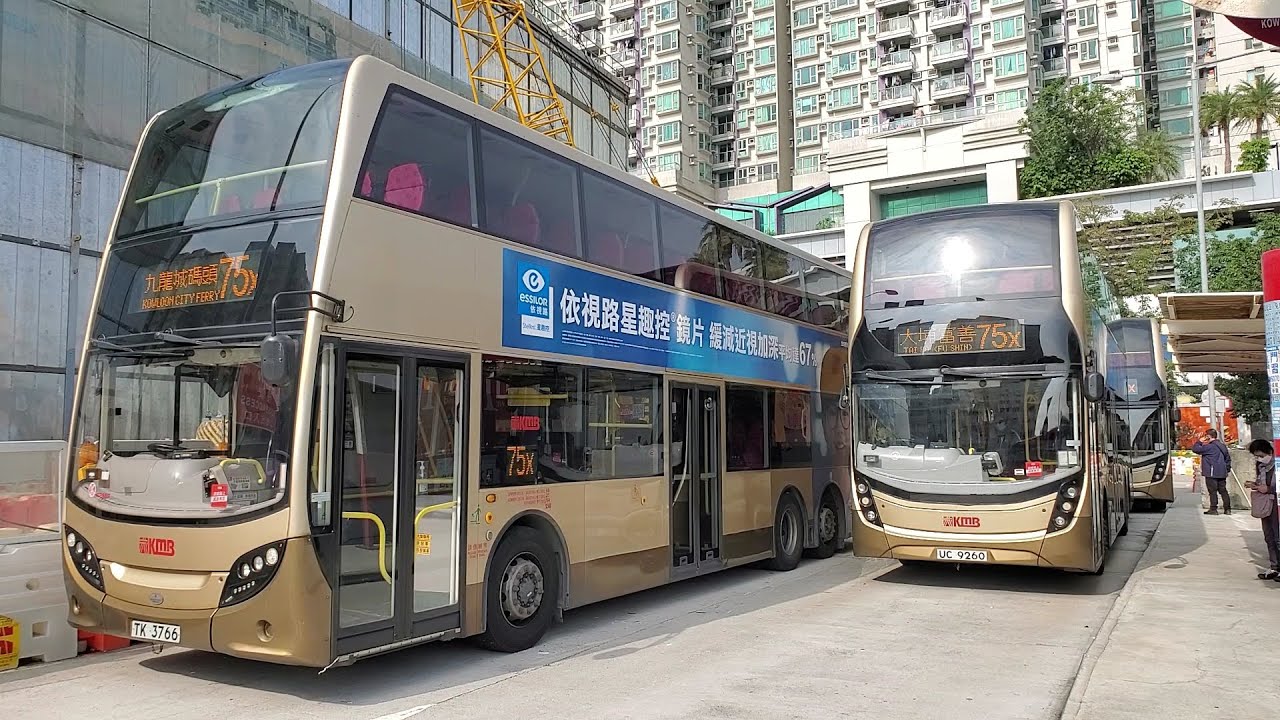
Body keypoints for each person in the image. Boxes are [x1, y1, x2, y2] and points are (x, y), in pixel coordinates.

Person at [1247, 439, 1279, 581]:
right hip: (1265, 504)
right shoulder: (1260, 466)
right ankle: (1274, 567)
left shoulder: (1276, 466)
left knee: (1278, 537)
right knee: (1269, 537)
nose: (1259, 458)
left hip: (1276, 504)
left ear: (1270, 452)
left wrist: (1270, 489)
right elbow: (1261, 482)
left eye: (1260, 455)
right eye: (1256, 456)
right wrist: (1255, 485)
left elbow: (1272, 486)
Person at [1192, 428, 1232, 515]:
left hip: (1211, 472)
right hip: (1222, 472)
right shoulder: (1223, 446)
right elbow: (1228, 459)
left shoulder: (1209, 447)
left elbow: (1196, 449)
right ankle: (1227, 509)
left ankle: (1213, 509)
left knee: (1212, 491)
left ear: (1208, 436)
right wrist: (1227, 469)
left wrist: (1199, 441)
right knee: (1223, 491)